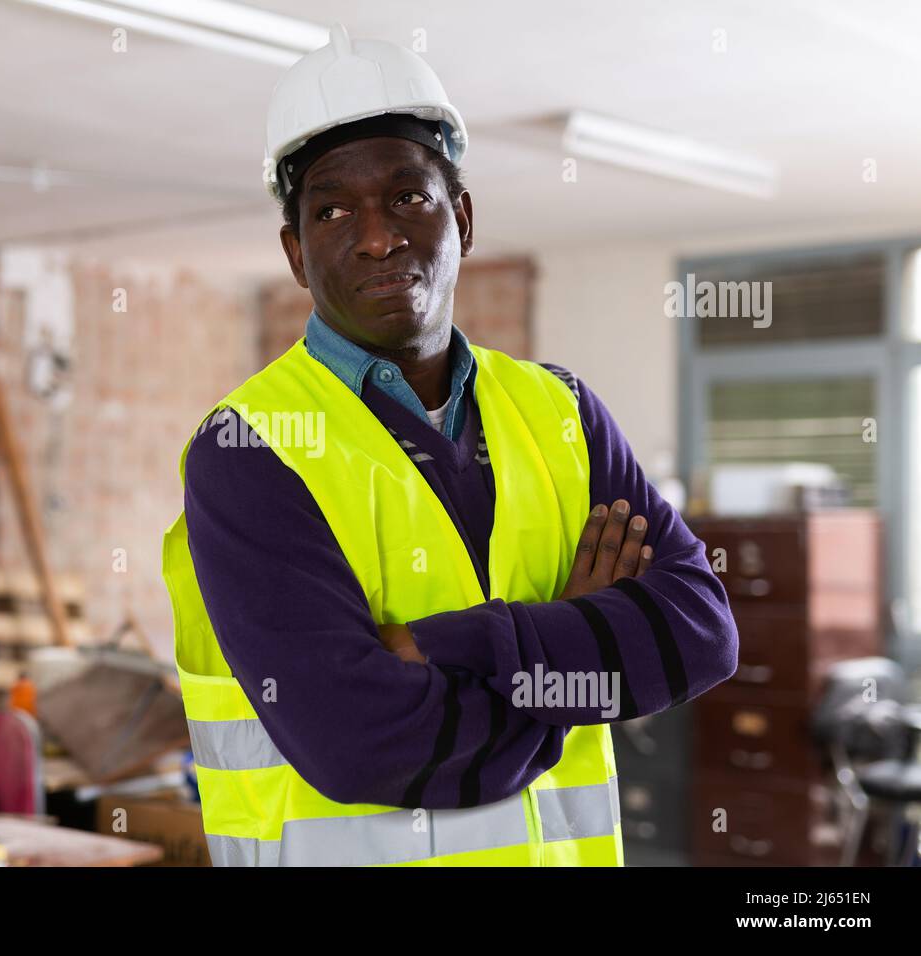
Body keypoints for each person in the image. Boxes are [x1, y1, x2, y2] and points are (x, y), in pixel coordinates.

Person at [161, 23, 738, 867]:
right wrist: (571, 652)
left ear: (461, 217)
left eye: (408, 197)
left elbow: (700, 635)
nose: (376, 236)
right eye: (330, 210)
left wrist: (447, 644)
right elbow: (357, 740)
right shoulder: (248, 450)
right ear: (295, 253)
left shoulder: (562, 411)